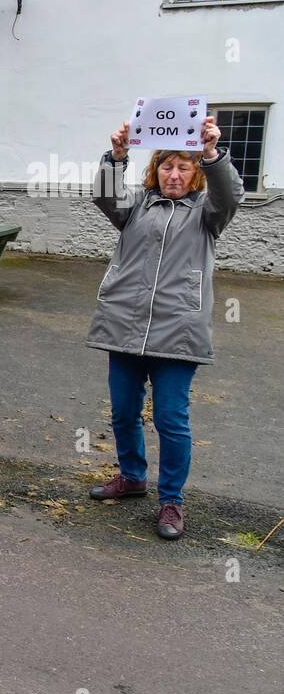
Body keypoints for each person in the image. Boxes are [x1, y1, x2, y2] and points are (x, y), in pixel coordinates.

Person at [86, 116, 242, 541]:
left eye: (184, 168)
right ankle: (132, 476)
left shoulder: (208, 214)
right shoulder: (137, 205)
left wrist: (212, 154)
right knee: (123, 411)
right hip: (125, 326)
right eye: (167, 167)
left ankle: (171, 500)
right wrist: (116, 155)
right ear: (155, 170)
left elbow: (230, 195)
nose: (174, 175)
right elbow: (103, 196)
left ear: (195, 176)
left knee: (172, 419)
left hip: (178, 332)